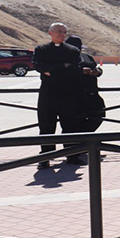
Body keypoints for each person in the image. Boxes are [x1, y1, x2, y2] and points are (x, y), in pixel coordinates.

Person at [33, 22, 83, 167]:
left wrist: (52, 71)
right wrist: (62, 66)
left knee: (70, 125)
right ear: (50, 33)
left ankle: (72, 156)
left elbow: (75, 69)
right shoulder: (41, 49)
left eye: (64, 32)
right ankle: (46, 156)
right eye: (58, 31)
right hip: (48, 93)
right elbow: (39, 66)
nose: (62, 34)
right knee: (46, 126)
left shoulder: (72, 50)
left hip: (68, 93)